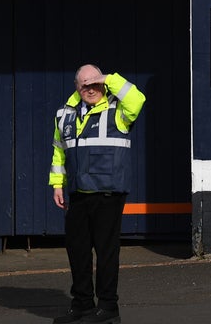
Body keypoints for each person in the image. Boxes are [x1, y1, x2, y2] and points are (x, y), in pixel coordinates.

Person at [49, 65, 146, 324]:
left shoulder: (119, 111)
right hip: (78, 193)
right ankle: (82, 304)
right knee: (77, 251)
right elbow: (59, 152)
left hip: (108, 193)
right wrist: (57, 185)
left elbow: (137, 98)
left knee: (106, 252)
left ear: (103, 83)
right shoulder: (64, 114)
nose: (90, 88)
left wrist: (107, 78)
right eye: (85, 84)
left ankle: (108, 307)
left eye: (95, 83)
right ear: (76, 87)